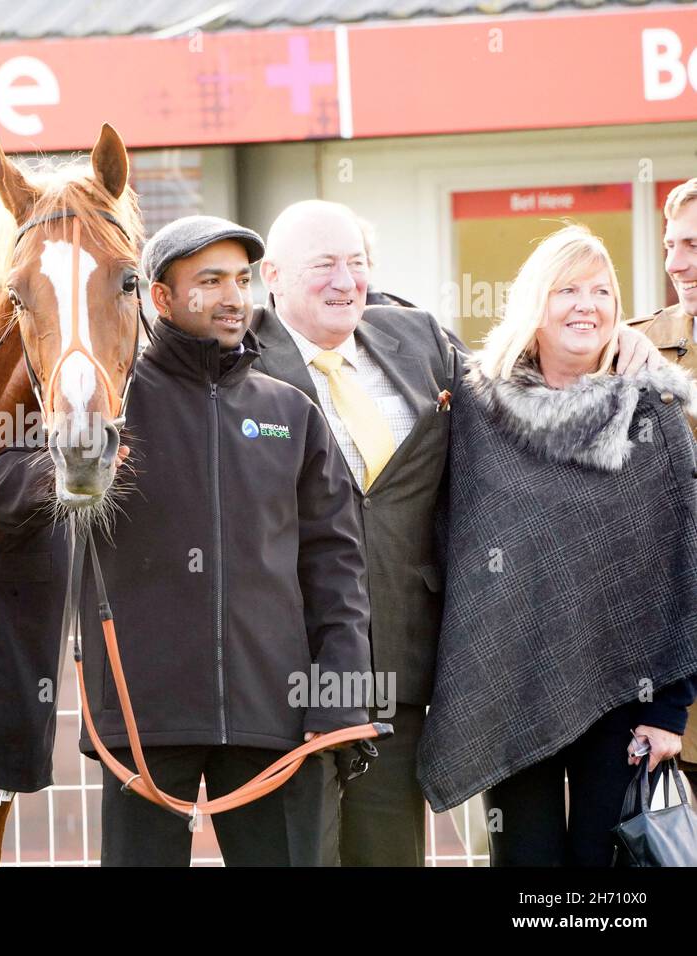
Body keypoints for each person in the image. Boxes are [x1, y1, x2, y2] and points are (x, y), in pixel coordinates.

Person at [251, 199, 668, 867]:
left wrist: (623, 340)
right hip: (280, 679)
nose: (344, 281)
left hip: (399, 672)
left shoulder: (418, 342)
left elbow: (522, 383)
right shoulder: (230, 361)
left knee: (392, 856)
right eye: (323, 264)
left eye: (356, 264)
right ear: (271, 274)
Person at [0, 215, 371, 866]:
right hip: (141, 722)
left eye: (242, 280)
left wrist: (340, 694)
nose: (233, 297)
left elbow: (336, 568)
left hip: (273, 720)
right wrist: (74, 461)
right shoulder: (109, 403)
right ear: (159, 298)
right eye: (209, 280)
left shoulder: (290, 412)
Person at [418, 224, 697, 866]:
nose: (586, 305)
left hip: (629, 692)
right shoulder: (479, 409)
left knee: (608, 869)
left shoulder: (650, 409)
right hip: (510, 682)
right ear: (532, 305)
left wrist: (671, 712)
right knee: (526, 863)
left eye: (602, 291)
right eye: (566, 289)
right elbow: (448, 538)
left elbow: (680, 564)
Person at [625, 176, 697, 789]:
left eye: (693, 246)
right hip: (658, 673)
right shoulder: (632, 343)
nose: (676, 264)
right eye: (671, 245)